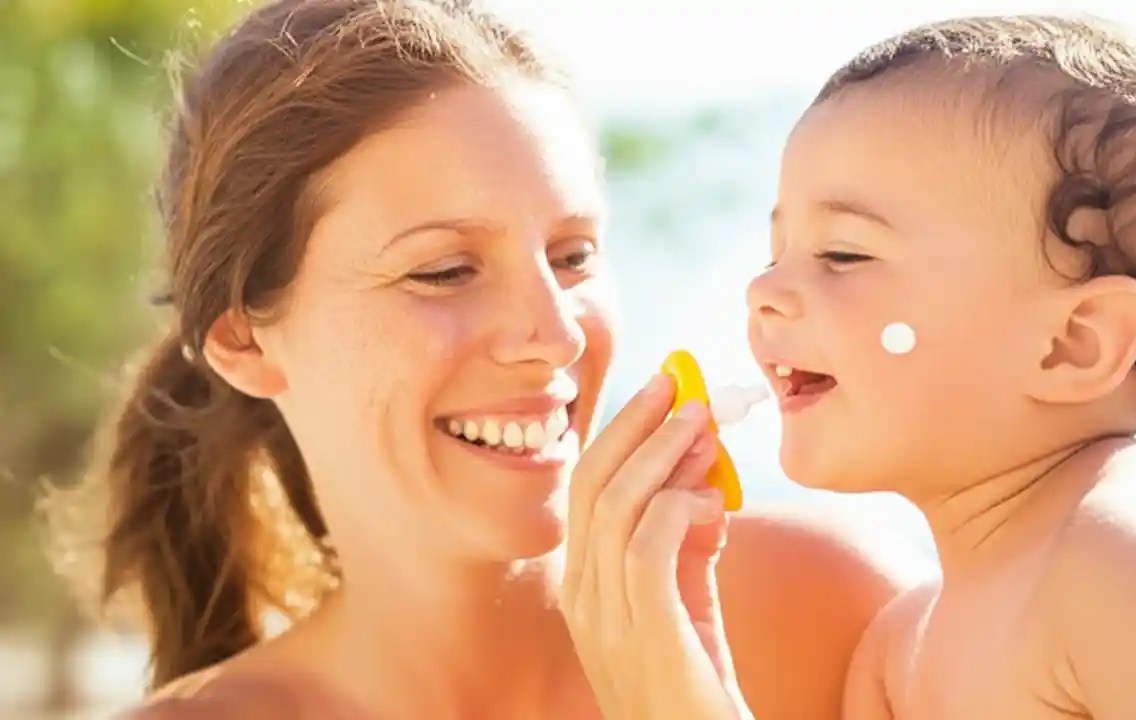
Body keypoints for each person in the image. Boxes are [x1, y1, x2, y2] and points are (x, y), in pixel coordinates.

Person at [46, 1, 914, 717]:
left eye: (572, 256)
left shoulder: (819, 608)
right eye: (445, 271)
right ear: (244, 339)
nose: (557, 332)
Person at [560, 13, 1136, 719]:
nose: (764, 292)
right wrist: (691, 684)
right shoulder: (896, 650)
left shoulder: (1113, 562)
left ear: (1071, 345)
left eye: (844, 253)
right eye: (775, 255)